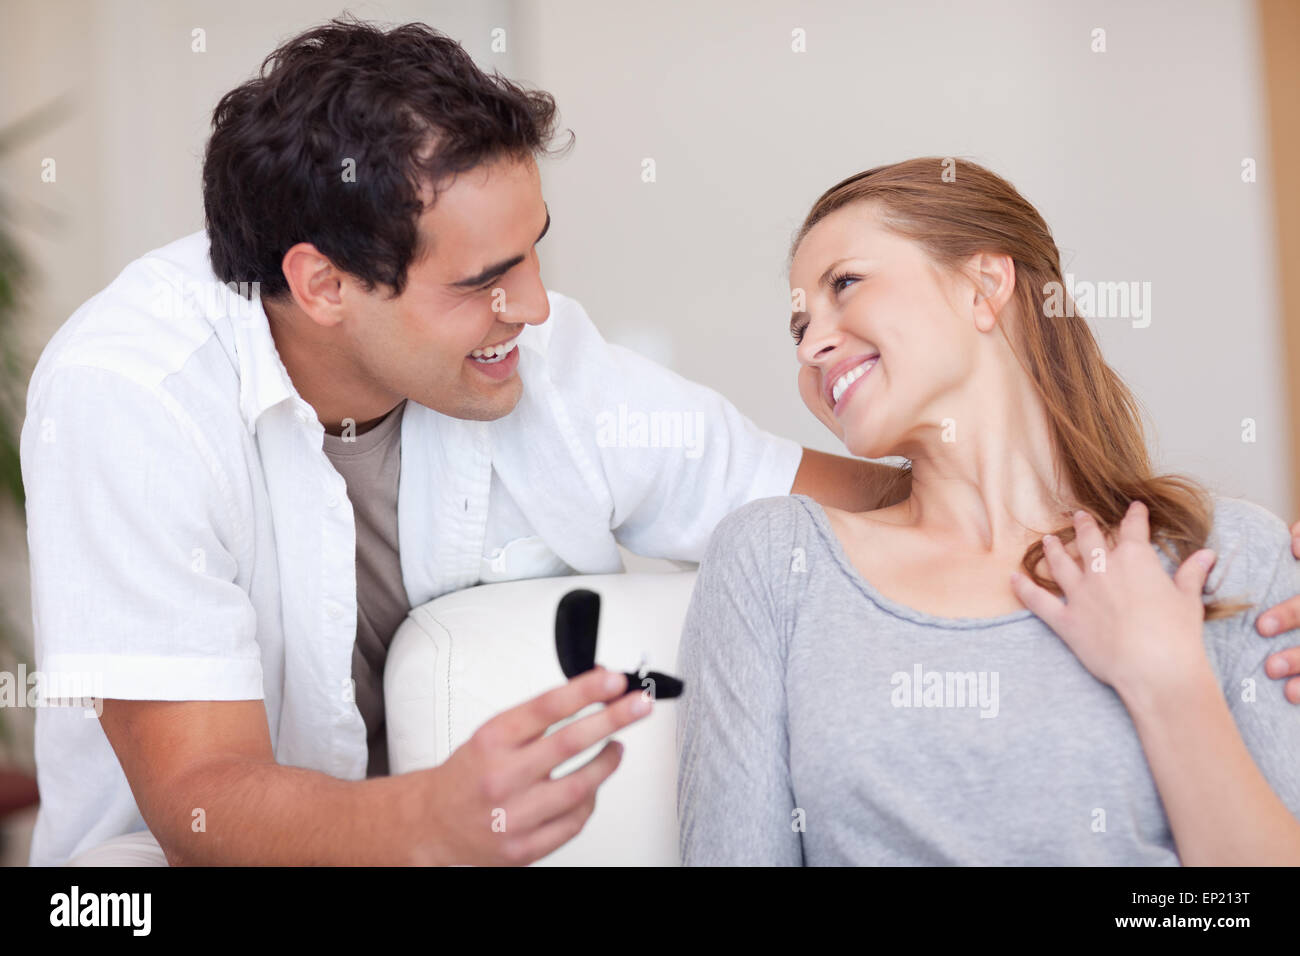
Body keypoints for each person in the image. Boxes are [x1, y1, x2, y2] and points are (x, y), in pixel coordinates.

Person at [20, 18, 902, 867]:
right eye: (483, 281)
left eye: (532, 254)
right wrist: (431, 818)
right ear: (323, 283)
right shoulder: (133, 393)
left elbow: (855, 505)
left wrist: (1008, 473)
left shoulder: (549, 362)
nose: (535, 306)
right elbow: (199, 803)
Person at [676, 157, 1300, 865]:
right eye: (799, 329)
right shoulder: (774, 561)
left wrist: (1167, 680)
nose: (813, 346)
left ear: (984, 285)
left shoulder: (1229, 552)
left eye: (845, 284)